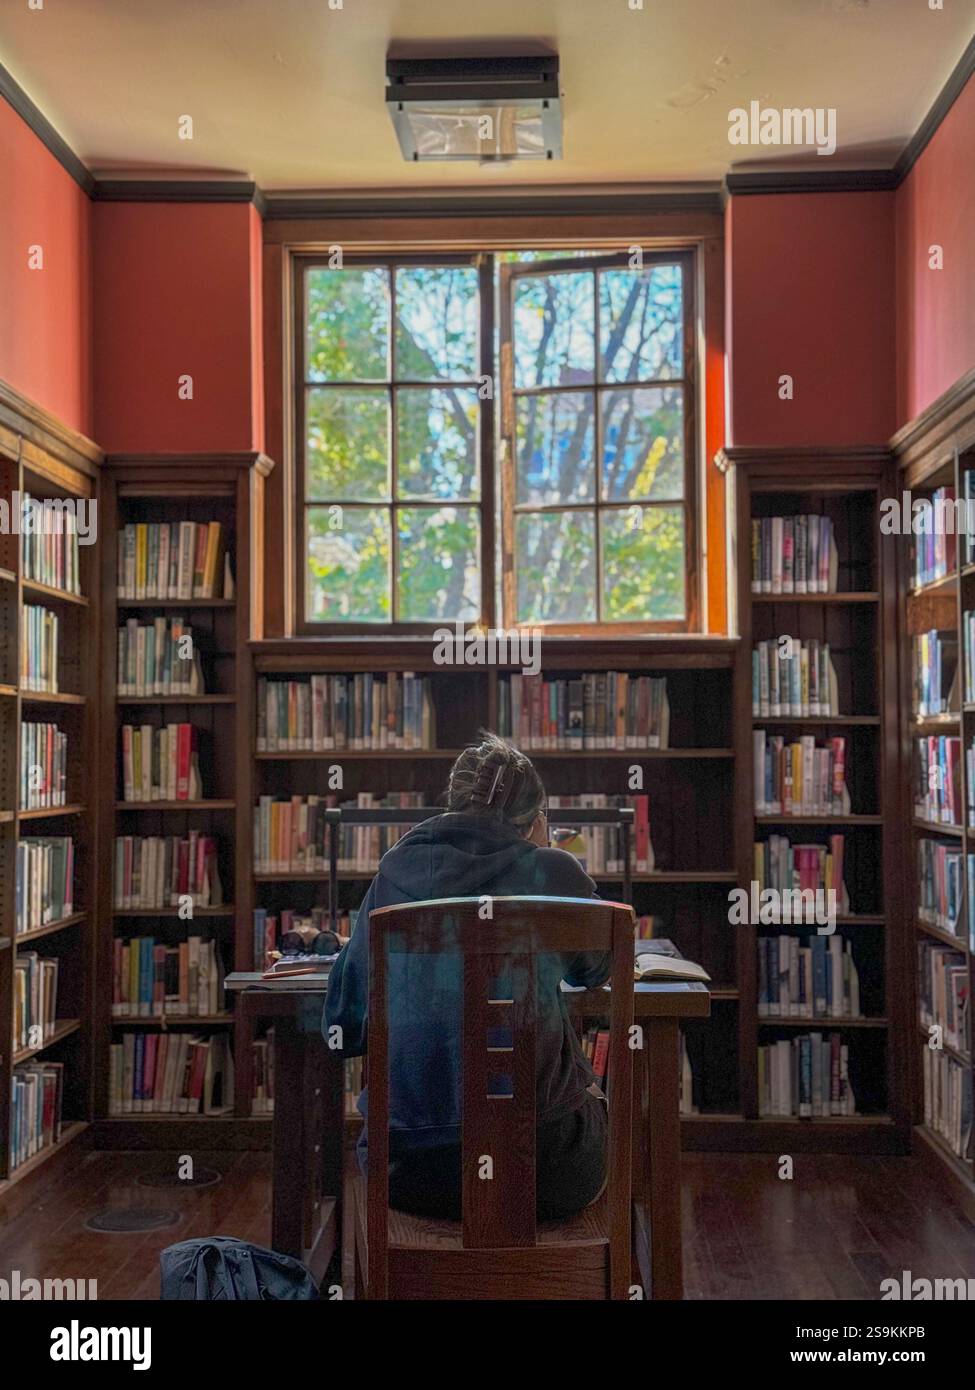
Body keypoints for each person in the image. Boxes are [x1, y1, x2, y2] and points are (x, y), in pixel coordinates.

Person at [323, 732, 611, 1221]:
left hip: (409, 1171)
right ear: (535, 817)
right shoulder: (552, 871)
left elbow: (345, 1024)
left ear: (453, 806)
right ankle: (618, 1271)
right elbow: (596, 970)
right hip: (543, 1169)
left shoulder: (392, 875)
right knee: (603, 1101)